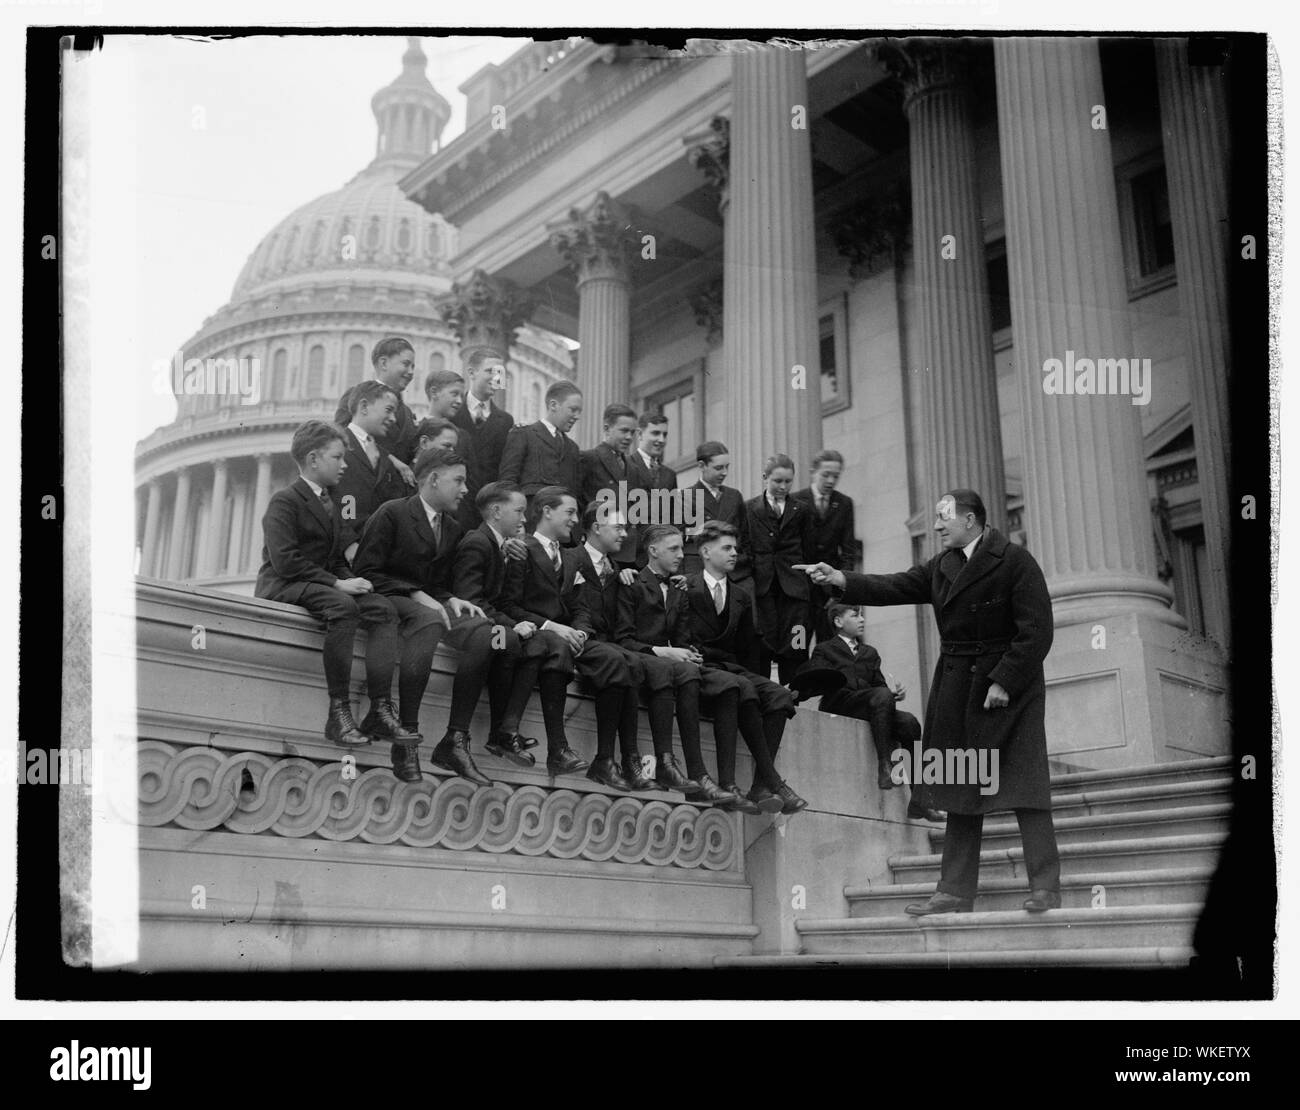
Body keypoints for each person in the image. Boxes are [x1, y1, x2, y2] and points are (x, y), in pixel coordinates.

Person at [797, 488, 1061, 915]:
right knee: (958, 784)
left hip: (1009, 691)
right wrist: (841, 579)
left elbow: (1037, 631)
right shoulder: (943, 565)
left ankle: (1046, 886)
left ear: (971, 520)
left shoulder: (1015, 561)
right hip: (958, 687)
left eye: (944, 518)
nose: (936, 526)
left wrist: (1004, 681)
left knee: (1024, 786)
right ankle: (954, 891)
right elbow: (896, 585)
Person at [255, 419, 421, 755]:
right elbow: (285, 561)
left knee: (382, 608)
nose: (345, 465)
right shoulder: (284, 501)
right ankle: (339, 711)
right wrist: (338, 583)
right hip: (284, 583)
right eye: (337, 457)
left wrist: (356, 580)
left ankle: (379, 709)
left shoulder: (329, 501)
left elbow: (334, 558)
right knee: (342, 608)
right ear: (314, 459)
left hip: (318, 583)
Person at [353, 448, 505, 786]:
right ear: (433, 479)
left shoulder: (450, 528)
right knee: (430, 620)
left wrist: (453, 600)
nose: (465, 490)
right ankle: (406, 736)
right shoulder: (391, 513)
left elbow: (437, 585)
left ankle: (455, 738)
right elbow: (365, 571)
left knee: (484, 631)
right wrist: (416, 594)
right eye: (459, 481)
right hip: (387, 599)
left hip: (428, 605)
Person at [500, 486, 655, 784]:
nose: (574, 519)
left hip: (572, 637)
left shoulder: (570, 560)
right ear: (547, 511)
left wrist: (581, 631)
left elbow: (580, 606)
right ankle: (602, 758)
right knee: (614, 659)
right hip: (542, 635)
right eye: (570, 512)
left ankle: (616, 759)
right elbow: (509, 605)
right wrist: (556, 628)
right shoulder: (522, 546)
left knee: (628, 662)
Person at [451, 481, 586, 775]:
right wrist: (514, 624)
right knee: (520, 641)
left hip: (503, 626)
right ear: (497, 511)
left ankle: (508, 731)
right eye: (519, 512)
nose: (524, 519)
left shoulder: (506, 544)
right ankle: (489, 731)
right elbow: (474, 599)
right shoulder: (483, 542)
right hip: (474, 627)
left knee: (537, 643)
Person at [616, 524, 751, 811]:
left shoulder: (678, 589)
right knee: (673, 670)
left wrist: (690, 653)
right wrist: (663, 651)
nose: (681, 555)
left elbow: (683, 638)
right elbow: (623, 638)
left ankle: (699, 774)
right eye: (673, 549)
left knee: (693, 671)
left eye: (681, 548)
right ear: (653, 551)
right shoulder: (631, 583)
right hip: (642, 657)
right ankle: (666, 761)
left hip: (670, 663)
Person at [684, 522, 807, 814]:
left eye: (736, 548)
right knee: (742, 686)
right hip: (699, 664)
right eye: (726, 548)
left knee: (778, 695)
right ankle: (774, 780)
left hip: (732, 668)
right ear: (705, 551)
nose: (734, 554)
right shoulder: (686, 586)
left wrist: (771, 683)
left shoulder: (740, 595)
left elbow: (750, 647)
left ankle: (760, 785)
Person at [804, 603, 942, 822]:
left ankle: (919, 800)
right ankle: (884, 765)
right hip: (840, 703)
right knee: (881, 696)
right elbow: (816, 680)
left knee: (910, 723)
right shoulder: (824, 649)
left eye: (862, 616)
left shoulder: (870, 652)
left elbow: (879, 686)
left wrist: (893, 694)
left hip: (868, 705)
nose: (862, 620)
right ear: (838, 622)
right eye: (855, 615)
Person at [564, 502, 660, 792]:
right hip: (574, 640)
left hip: (606, 647)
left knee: (631, 662)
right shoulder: (570, 558)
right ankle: (605, 758)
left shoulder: (617, 569)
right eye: (618, 527)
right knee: (621, 661)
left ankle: (630, 759)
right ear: (595, 528)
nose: (625, 533)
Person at [745, 453, 814, 684]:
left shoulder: (802, 510)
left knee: (797, 640)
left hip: (795, 587)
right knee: (763, 641)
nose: (783, 486)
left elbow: (809, 548)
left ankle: (794, 693)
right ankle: (763, 690)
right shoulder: (749, 508)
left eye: (788, 481)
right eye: (777, 481)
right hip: (763, 586)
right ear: (765, 478)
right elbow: (746, 545)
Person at [335, 380, 408, 563]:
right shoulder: (335, 446)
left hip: (378, 554)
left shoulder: (385, 457)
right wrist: (349, 543)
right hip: (343, 555)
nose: (393, 418)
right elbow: (335, 501)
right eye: (388, 410)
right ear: (364, 406)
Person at [794, 449, 857, 643]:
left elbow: (848, 551)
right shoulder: (795, 501)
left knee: (830, 647)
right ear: (813, 472)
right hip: (801, 592)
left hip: (829, 593)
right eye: (826, 475)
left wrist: (839, 590)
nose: (830, 481)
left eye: (835, 476)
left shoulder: (844, 504)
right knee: (798, 647)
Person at [335, 336, 419, 475]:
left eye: (413, 367)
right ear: (384, 363)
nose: (411, 372)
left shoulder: (408, 413)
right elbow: (341, 439)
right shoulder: (356, 395)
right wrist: (390, 459)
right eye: (406, 364)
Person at [452, 350, 515, 528]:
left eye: (500, 373)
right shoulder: (452, 412)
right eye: (490, 371)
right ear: (471, 372)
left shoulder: (505, 421)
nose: (496, 377)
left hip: (487, 512)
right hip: (454, 507)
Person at [498, 379, 583, 503]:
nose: (577, 416)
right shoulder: (523, 434)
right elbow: (507, 483)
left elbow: (575, 492)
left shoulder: (573, 448)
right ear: (553, 405)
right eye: (573, 410)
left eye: (579, 412)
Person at [579, 403, 641, 568]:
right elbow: (579, 503)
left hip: (628, 553)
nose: (629, 437)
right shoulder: (589, 459)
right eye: (624, 431)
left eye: (632, 432)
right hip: (599, 549)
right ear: (607, 429)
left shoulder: (633, 467)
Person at [682, 440, 751, 580]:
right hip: (700, 573)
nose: (724, 473)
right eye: (718, 468)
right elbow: (683, 540)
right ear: (702, 466)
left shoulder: (734, 496)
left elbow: (745, 537)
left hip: (735, 575)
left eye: (727, 467)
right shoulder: (685, 497)